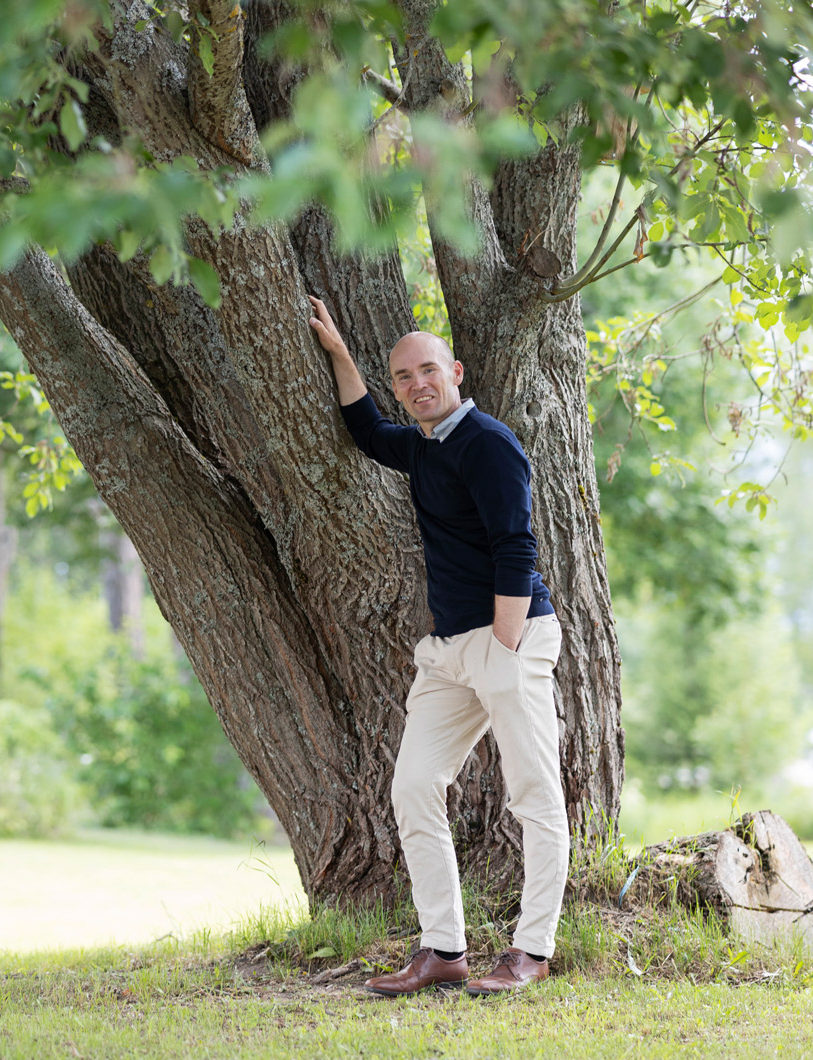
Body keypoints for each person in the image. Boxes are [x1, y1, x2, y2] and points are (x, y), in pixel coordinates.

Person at [308, 295, 567, 997]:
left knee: (535, 795)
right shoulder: (424, 445)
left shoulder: (486, 442)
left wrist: (503, 649)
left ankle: (531, 952)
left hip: (510, 636)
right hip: (449, 650)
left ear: (454, 372)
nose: (418, 384)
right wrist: (338, 356)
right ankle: (443, 949)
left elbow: (519, 548)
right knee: (415, 785)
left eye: (428, 371)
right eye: (403, 377)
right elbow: (367, 434)